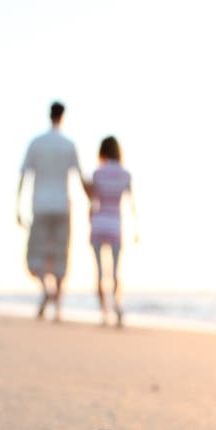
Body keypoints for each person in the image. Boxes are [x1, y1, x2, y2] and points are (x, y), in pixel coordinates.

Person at [16, 102, 87, 321]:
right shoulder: (68, 144)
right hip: (62, 206)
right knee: (60, 255)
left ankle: (46, 291)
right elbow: (81, 178)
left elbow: (24, 175)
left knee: (36, 255)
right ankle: (58, 306)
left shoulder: (36, 143)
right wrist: (93, 202)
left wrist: (18, 206)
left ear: (49, 115)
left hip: (40, 205)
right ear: (62, 116)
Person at [88, 136, 137, 326]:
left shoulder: (97, 173)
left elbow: (93, 202)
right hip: (115, 224)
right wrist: (136, 227)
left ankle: (104, 313)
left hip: (98, 223)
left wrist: (90, 218)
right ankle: (116, 305)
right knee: (115, 272)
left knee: (100, 272)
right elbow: (131, 203)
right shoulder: (125, 174)